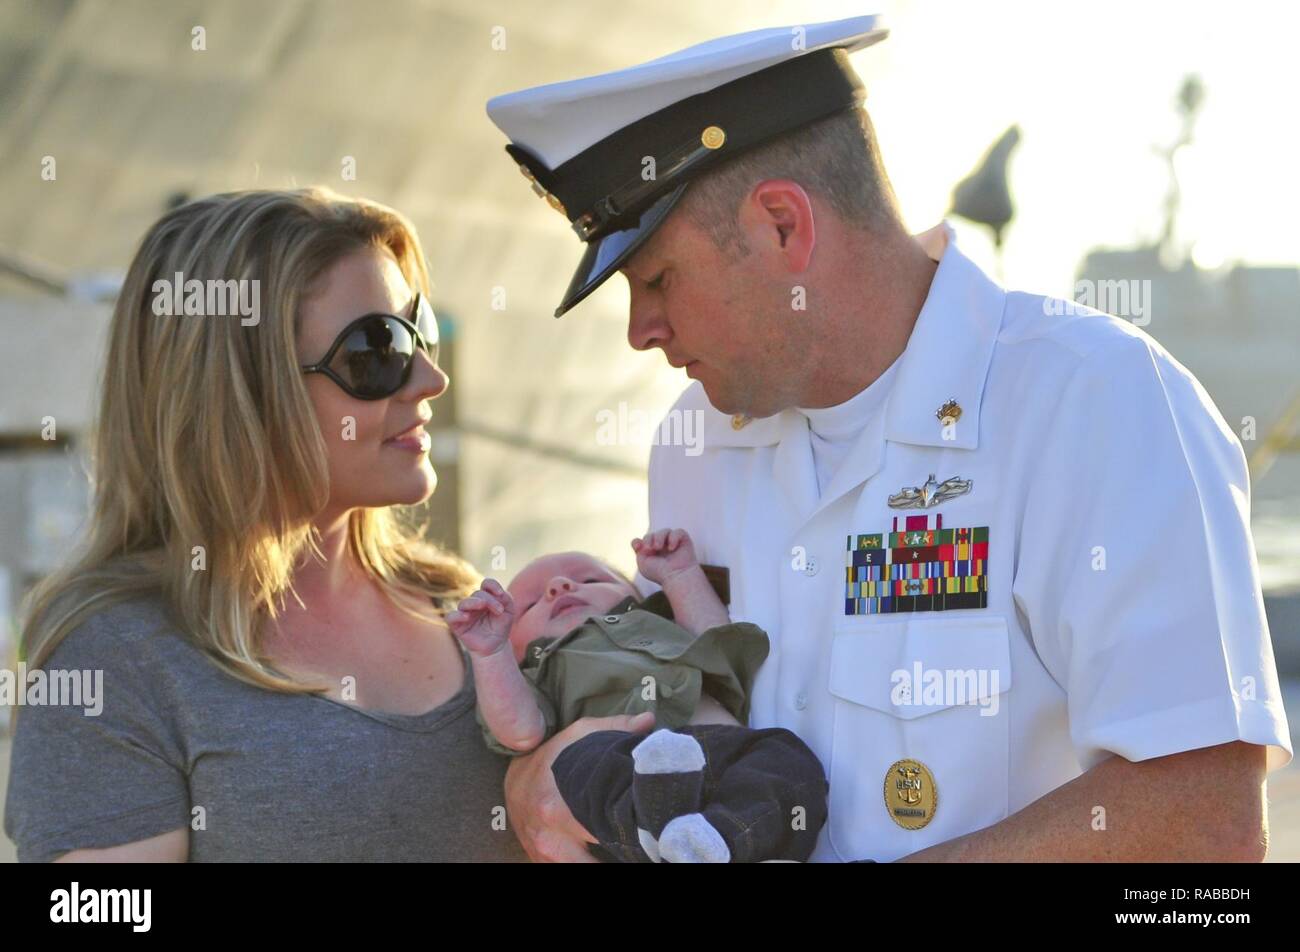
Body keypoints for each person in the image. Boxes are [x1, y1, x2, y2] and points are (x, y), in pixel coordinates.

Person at [485, 15, 1293, 861]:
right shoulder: (694, 445)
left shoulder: (1100, 404)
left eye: (656, 280)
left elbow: (1206, 819)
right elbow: (674, 709)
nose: (639, 331)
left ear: (782, 226)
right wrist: (544, 773)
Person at [4, 187, 561, 861]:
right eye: (377, 350)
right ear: (242, 392)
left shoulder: (465, 606)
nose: (431, 379)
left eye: (421, 331)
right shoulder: (119, 660)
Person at [446, 529, 828, 862]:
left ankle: (721, 838)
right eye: (529, 603)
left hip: (721, 753)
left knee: (786, 756)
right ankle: (651, 831)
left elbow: (718, 646)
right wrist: (491, 654)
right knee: (576, 763)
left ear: (634, 597)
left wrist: (679, 575)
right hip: (626, 769)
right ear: (517, 650)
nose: (559, 586)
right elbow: (521, 732)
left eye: (590, 579)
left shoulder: (657, 625)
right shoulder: (537, 670)